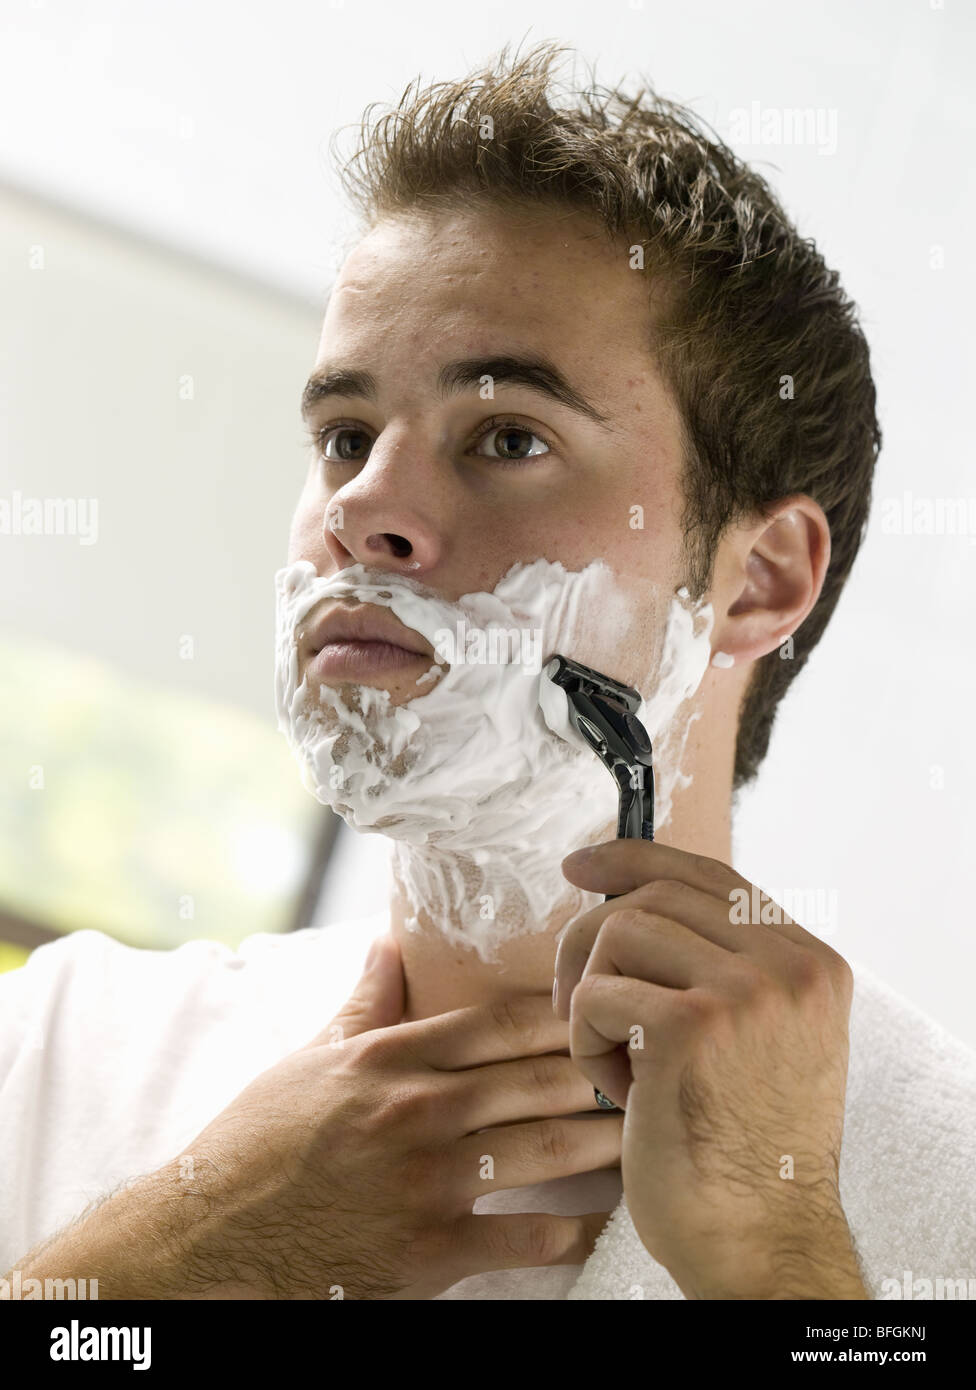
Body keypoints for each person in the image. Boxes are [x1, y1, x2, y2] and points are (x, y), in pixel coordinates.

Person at [3, 41, 973, 1303]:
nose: (364, 507)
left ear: (760, 580)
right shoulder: (60, 1048)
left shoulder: (947, 1189)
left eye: (507, 435)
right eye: (344, 435)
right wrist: (181, 1262)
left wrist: (781, 1267)